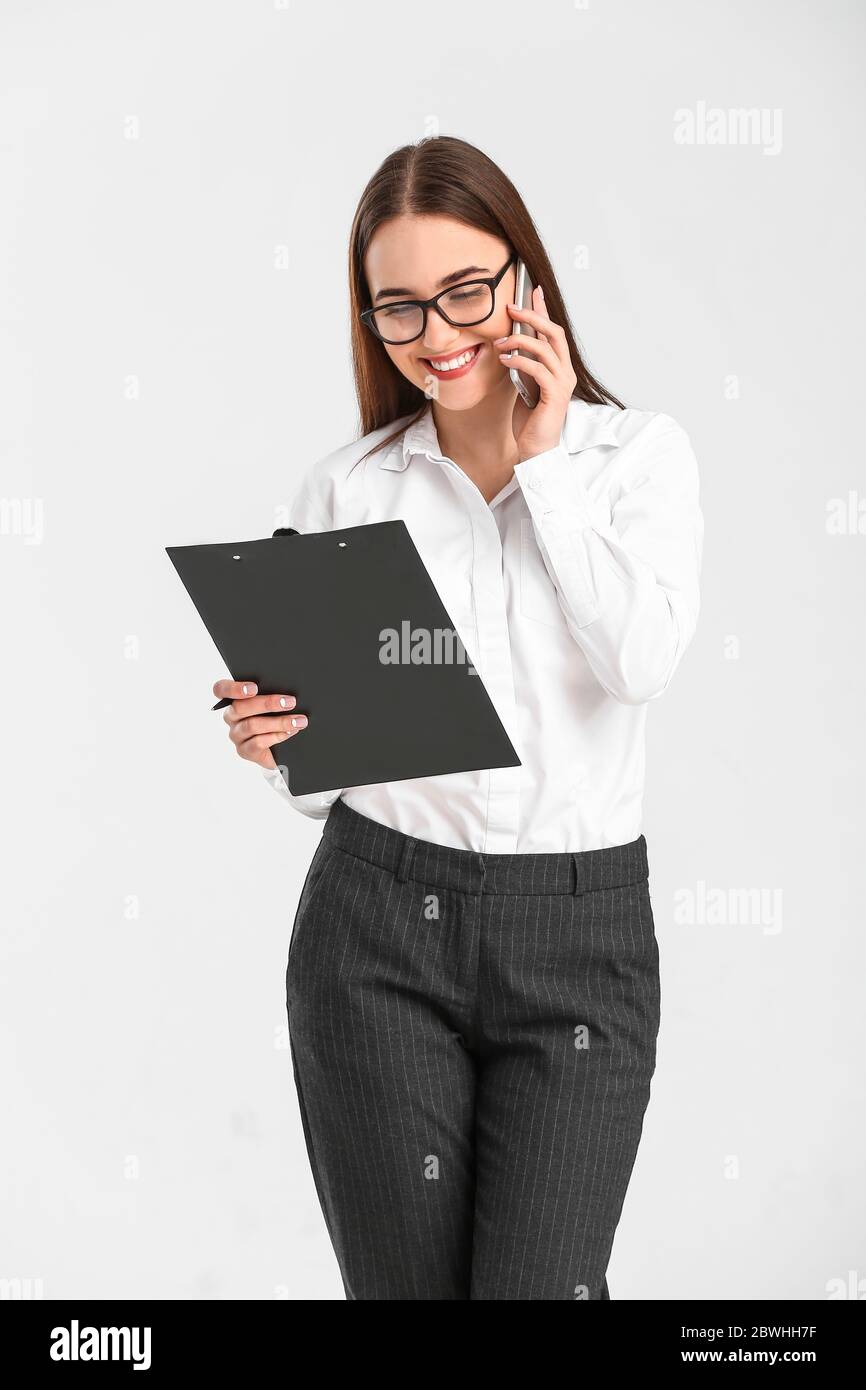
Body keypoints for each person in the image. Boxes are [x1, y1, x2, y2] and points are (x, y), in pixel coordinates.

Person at [214, 136, 703, 1300]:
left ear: (527, 281)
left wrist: (544, 470)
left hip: (576, 943)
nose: (436, 336)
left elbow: (640, 662)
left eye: (465, 293)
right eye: (398, 309)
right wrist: (270, 737)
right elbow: (320, 784)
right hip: (374, 930)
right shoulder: (350, 487)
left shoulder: (634, 460)